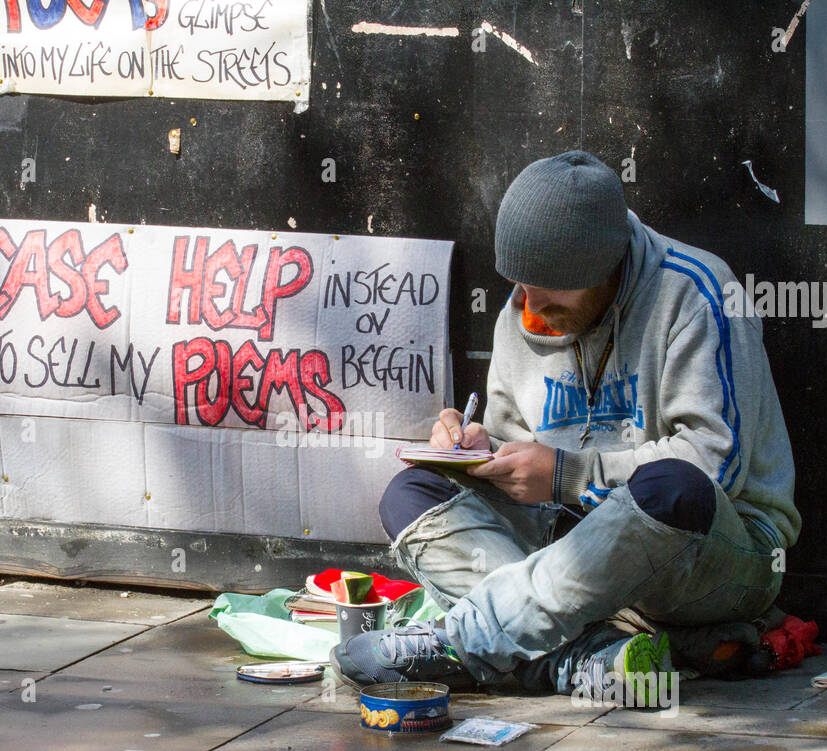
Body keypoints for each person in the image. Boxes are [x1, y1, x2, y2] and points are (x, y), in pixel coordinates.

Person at [332, 150, 801, 701]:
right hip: (566, 543)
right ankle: (586, 658)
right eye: (521, 285)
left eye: (550, 290)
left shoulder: (696, 293)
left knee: (673, 485)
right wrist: (483, 452)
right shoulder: (527, 306)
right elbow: (519, 448)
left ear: (605, 269)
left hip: (713, 551)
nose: (529, 304)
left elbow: (715, 468)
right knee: (413, 493)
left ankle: (468, 642)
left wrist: (568, 474)